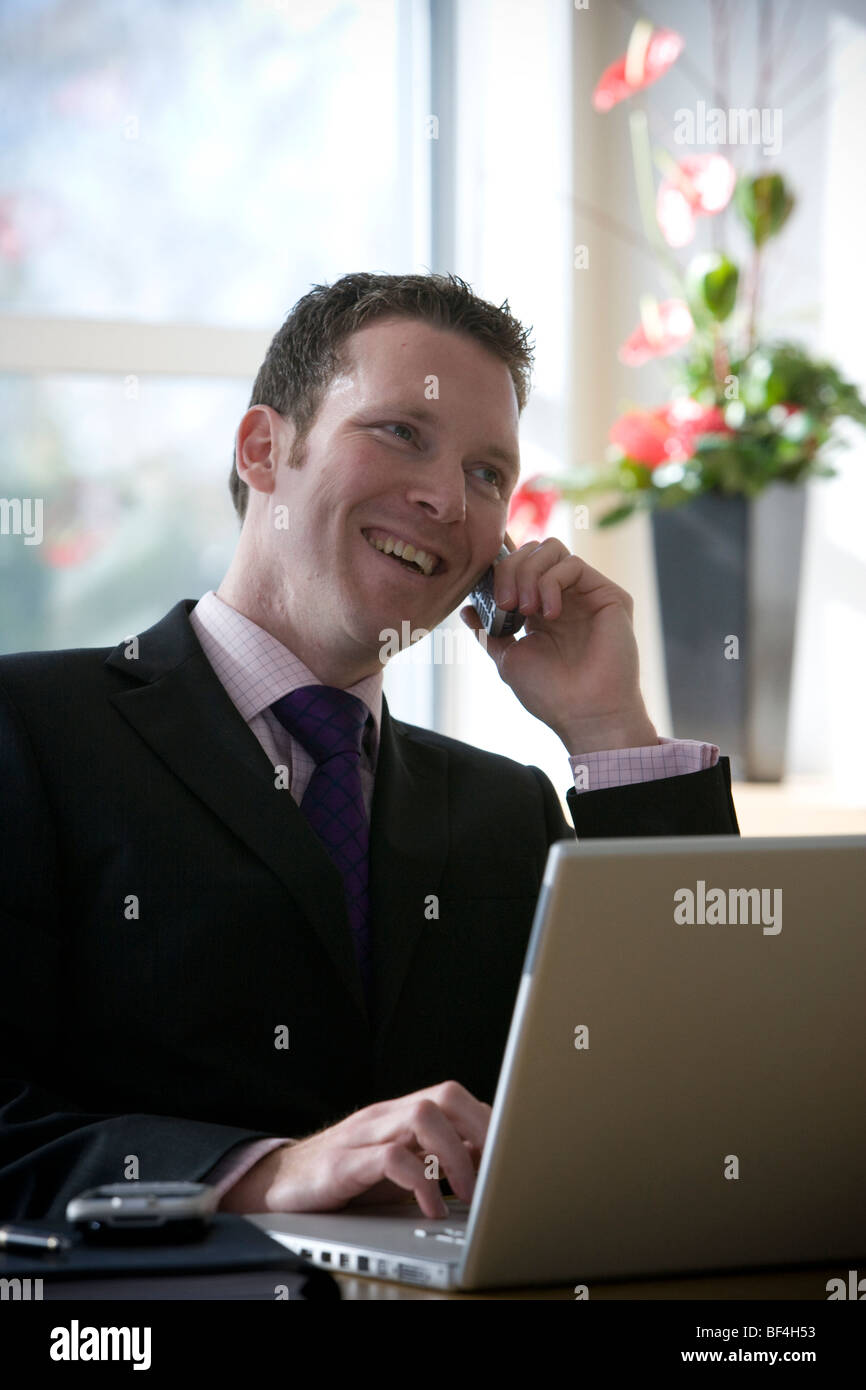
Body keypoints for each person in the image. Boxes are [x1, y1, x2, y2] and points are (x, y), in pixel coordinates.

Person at [0, 272, 739, 1223]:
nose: (444, 498)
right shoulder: (31, 731)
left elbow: (704, 1096)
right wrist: (269, 1174)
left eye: (487, 474)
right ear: (264, 450)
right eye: (401, 433)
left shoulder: (504, 810)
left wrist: (608, 729)